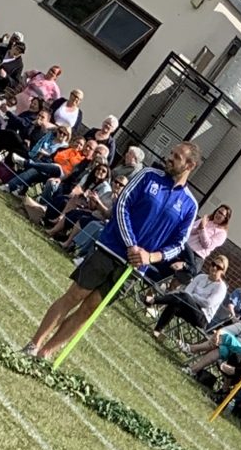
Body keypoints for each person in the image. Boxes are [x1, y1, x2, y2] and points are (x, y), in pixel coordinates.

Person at [24, 141, 200, 362]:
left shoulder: (190, 205)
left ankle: (45, 353)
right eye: (171, 152)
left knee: (89, 309)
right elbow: (122, 206)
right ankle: (34, 344)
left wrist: (150, 257)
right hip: (111, 249)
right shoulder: (148, 176)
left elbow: (180, 241)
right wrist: (131, 245)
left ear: (190, 165)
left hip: (134, 268)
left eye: (177, 156)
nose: (170, 157)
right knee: (75, 295)